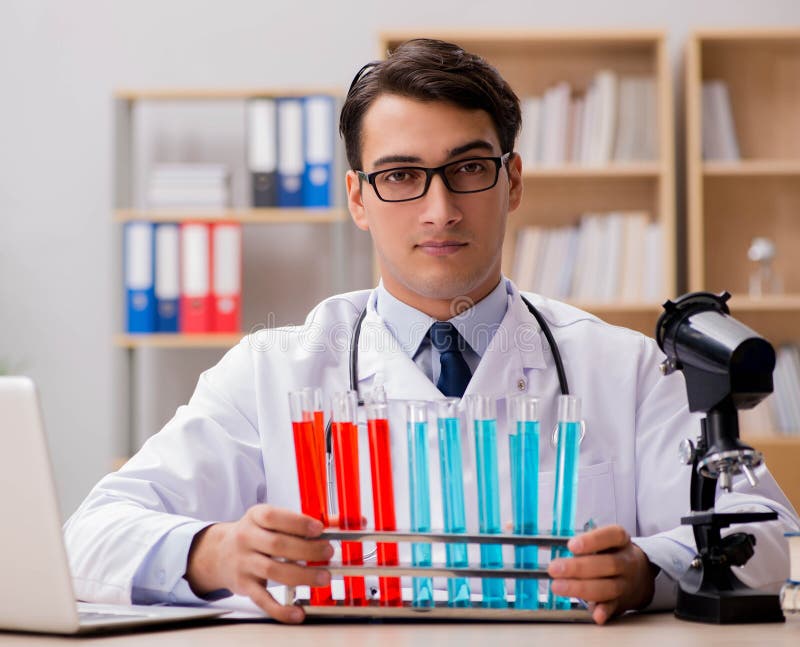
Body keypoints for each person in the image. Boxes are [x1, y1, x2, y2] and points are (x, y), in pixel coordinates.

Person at [65, 38, 798, 625]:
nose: (439, 208)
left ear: (512, 181)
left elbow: (772, 537)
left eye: (467, 168)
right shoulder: (270, 371)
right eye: (401, 175)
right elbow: (87, 537)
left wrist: (647, 570)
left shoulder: (627, 366)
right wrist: (214, 550)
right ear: (358, 196)